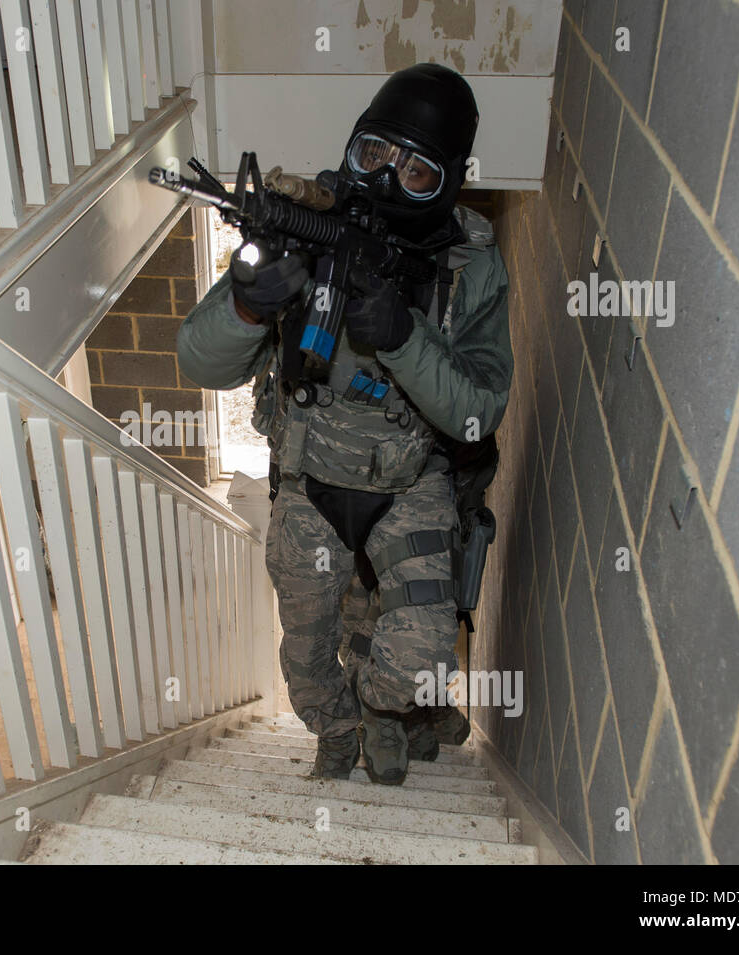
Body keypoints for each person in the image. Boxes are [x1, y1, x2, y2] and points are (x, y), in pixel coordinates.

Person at [176, 63, 511, 784]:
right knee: (303, 654)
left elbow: (478, 412)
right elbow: (199, 363)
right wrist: (246, 304)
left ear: (450, 183)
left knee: (419, 654)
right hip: (306, 479)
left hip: (409, 480)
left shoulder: (471, 266)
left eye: (417, 173)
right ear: (354, 143)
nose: (385, 181)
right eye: (373, 155)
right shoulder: (305, 223)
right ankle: (337, 729)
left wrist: (405, 338)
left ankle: (388, 710)